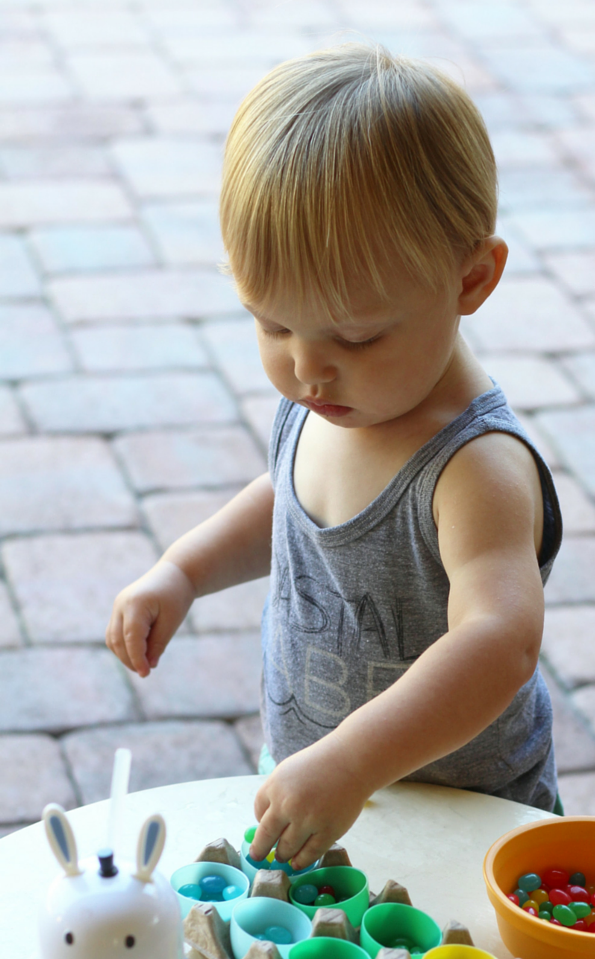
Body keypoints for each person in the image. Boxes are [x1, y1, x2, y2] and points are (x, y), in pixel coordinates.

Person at [105, 42, 562, 871]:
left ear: (472, 280)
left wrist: (355, 759)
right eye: (272, 324)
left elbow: (501, 639)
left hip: (459, 824)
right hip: (323, 787)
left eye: (355, 335)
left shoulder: (474, 467)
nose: (307, 368)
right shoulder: (332, 397)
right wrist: (184, 570)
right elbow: (291, 497)